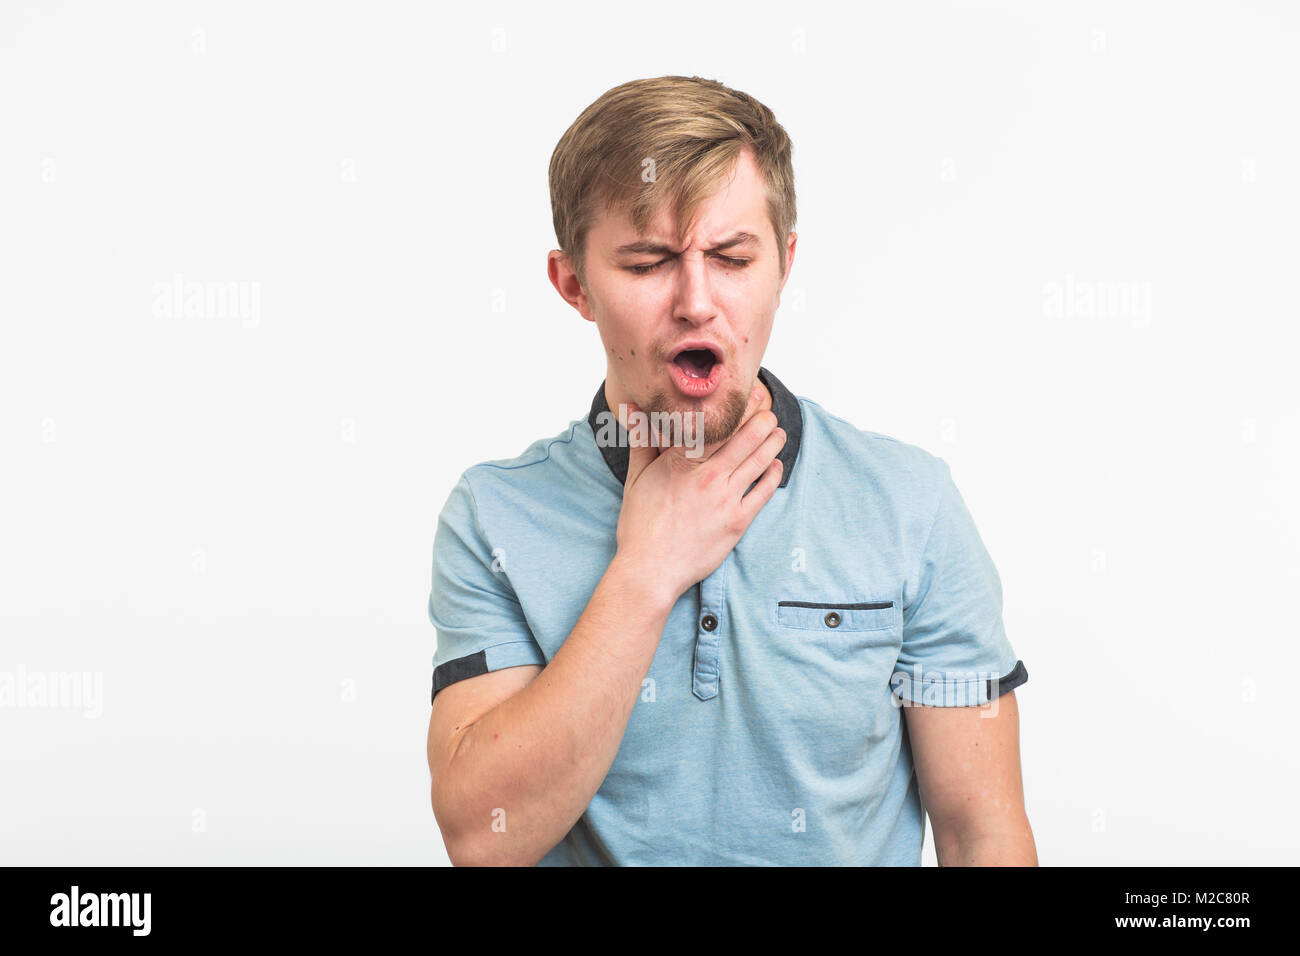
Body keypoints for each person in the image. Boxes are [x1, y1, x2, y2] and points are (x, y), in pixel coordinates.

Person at [425, 75, 1035, 866]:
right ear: (573, 284)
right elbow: (483, 837)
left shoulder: (911, 506)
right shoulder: (492, 517)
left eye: (731, 257)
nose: (696, 301)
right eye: (647, 263)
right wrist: (646, 574)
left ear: (783, 263)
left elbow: (980, 834)